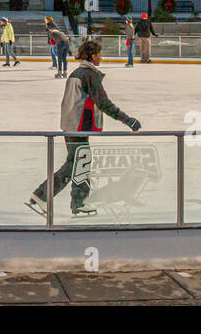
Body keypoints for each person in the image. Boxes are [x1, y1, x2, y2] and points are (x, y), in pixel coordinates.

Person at [27, 39, 141, 218]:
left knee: (78, 161)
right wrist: (128, 120)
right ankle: (54, 198)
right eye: (99, 54)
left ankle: (61, 199)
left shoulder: (77, 72)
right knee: (78, 162)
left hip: (71, 123)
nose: (101, 58)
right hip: (78, 124)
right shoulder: (89, 74)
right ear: (92, 55)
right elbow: (103, 103)